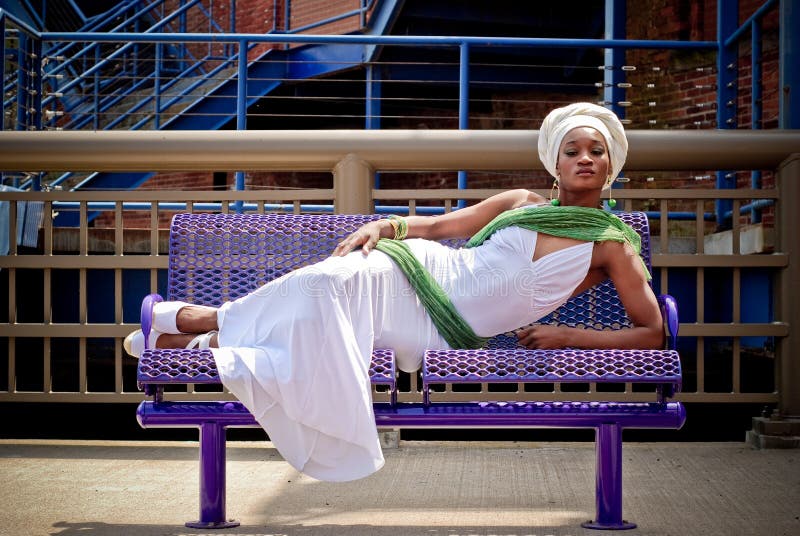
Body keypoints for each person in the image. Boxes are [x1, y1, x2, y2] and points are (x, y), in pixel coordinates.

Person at [124, 102, 664, 482]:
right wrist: (385, 227)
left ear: (611, 165)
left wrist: (566, 334)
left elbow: (654, 332)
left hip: (445, 326)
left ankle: (206, 338)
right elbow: (440, 229)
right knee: (322, 284)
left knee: (322, 307)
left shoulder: (612, 246)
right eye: (572, 150)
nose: (584, 158)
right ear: (557, 162)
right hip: (421, 268)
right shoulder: (521, 201)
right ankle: (204, 324)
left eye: (596, 150)